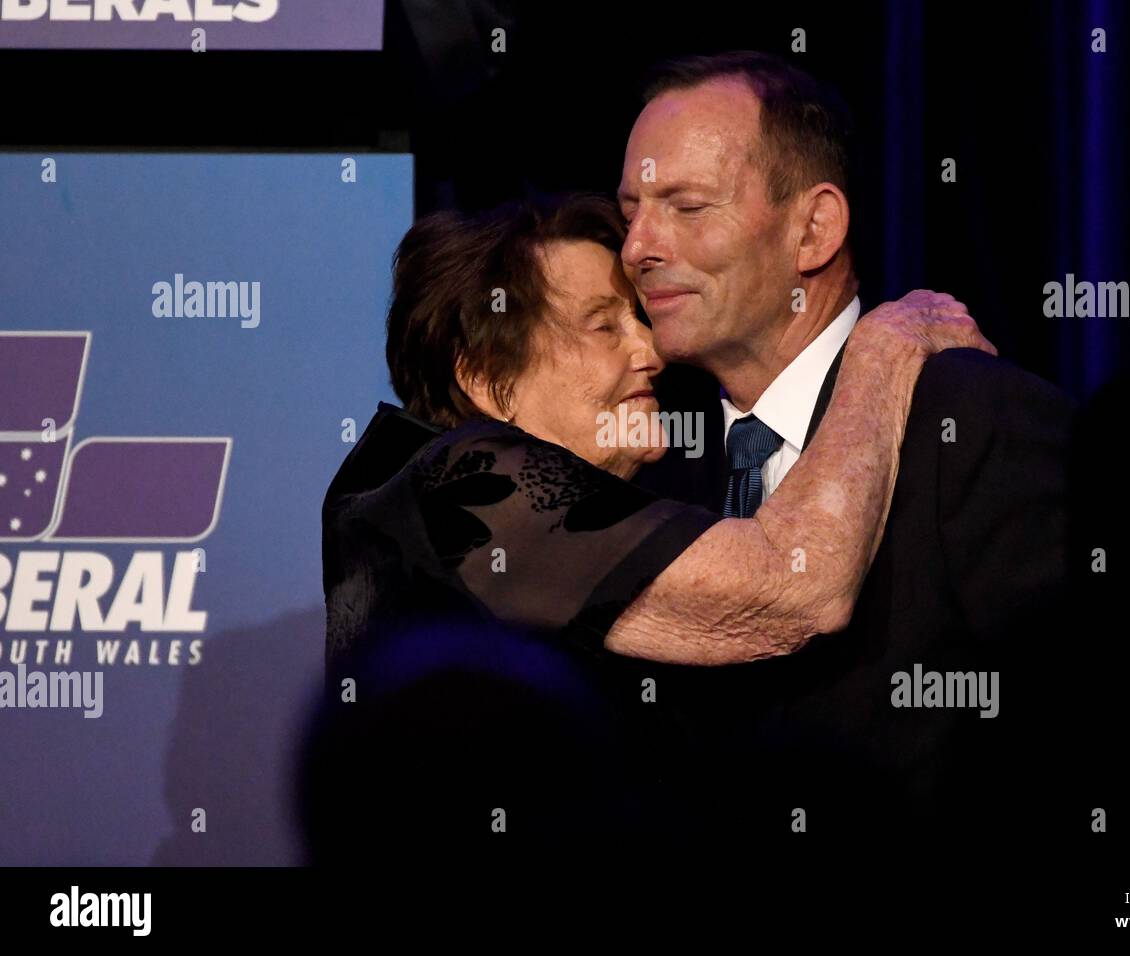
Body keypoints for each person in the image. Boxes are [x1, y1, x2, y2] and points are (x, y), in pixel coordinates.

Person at [619, 52, 1076, 841]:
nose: (638, 248)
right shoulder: (648, 461)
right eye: (630, 211)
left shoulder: (970, 420)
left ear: (815, 228)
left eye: (686, 206)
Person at [322, 194, 992, 681]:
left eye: (638, 320)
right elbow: (793, 587)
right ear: (491, 381)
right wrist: (881, 348)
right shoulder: (463, 483)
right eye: (604, 327)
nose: (652, 352)